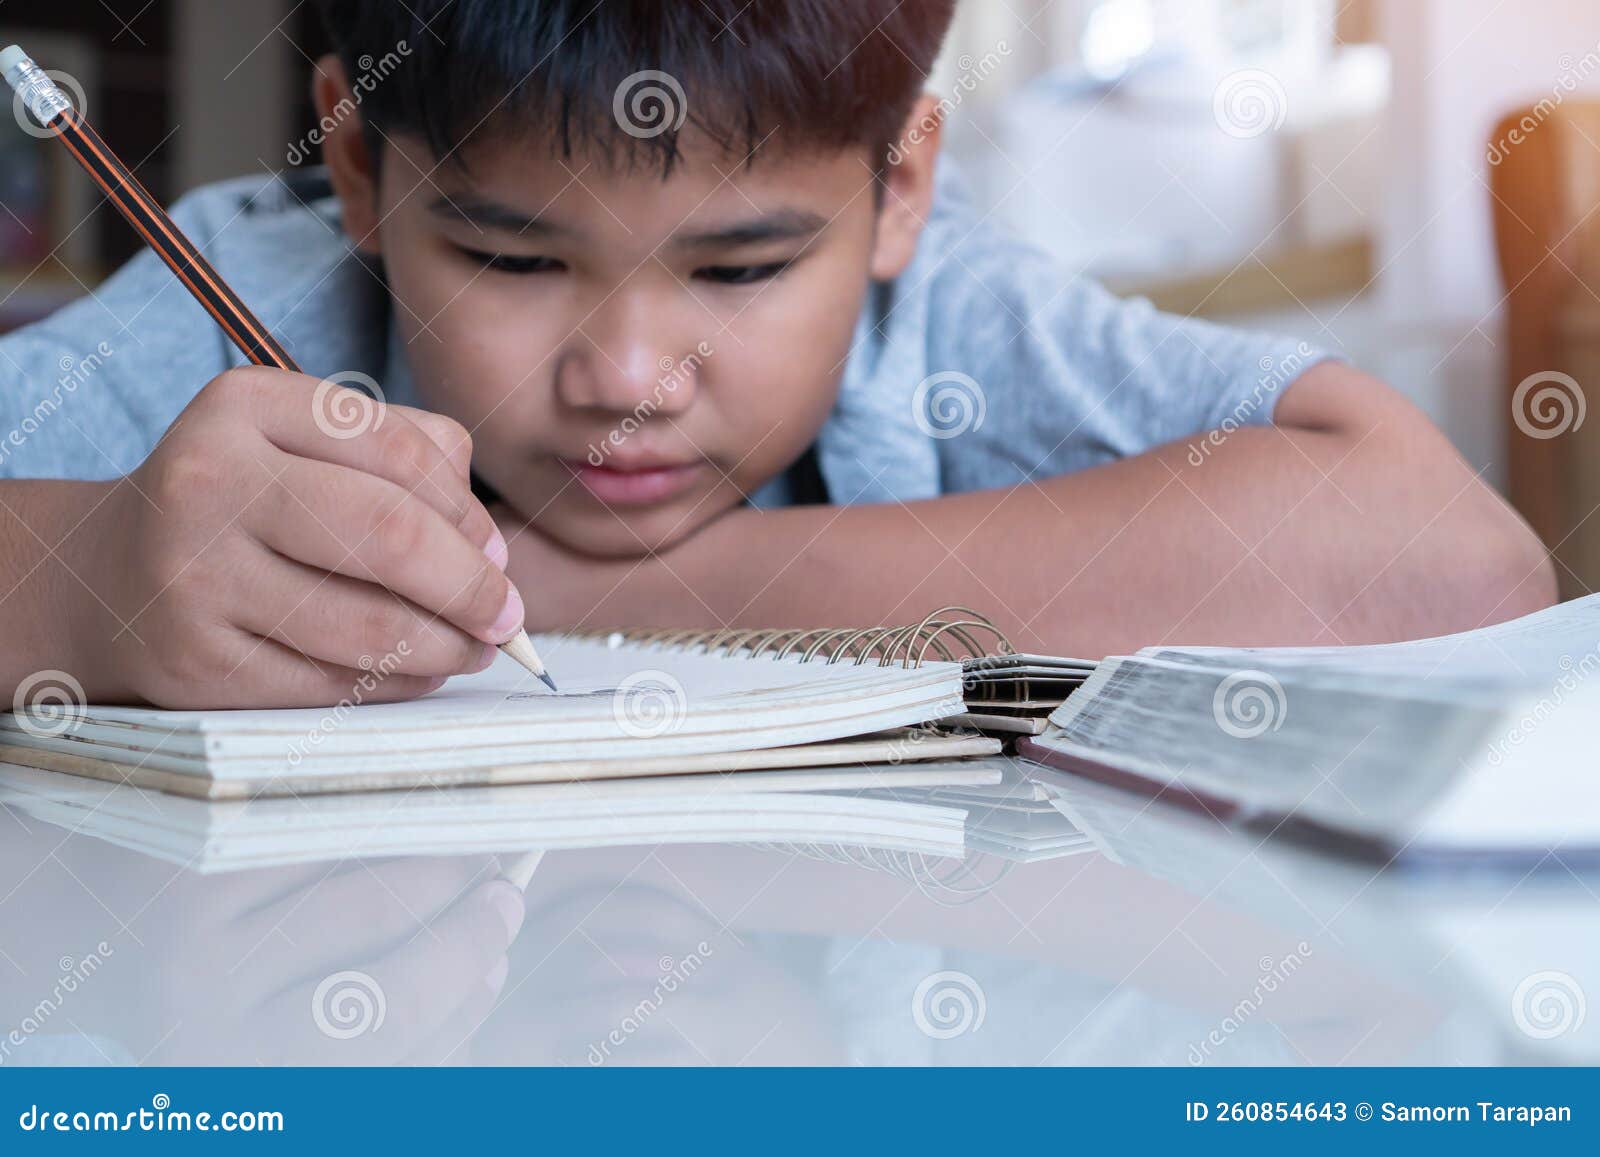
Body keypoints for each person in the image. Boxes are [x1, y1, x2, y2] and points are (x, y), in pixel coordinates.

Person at [0, 0, 1555, 709]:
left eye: (742, 267)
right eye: (507, 256)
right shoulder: (241, 303)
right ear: (353, 170)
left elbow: (1450, 565)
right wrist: (83, 578)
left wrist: (581, 598)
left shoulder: (947, 321)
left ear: (901, 190)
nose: (629, 376)